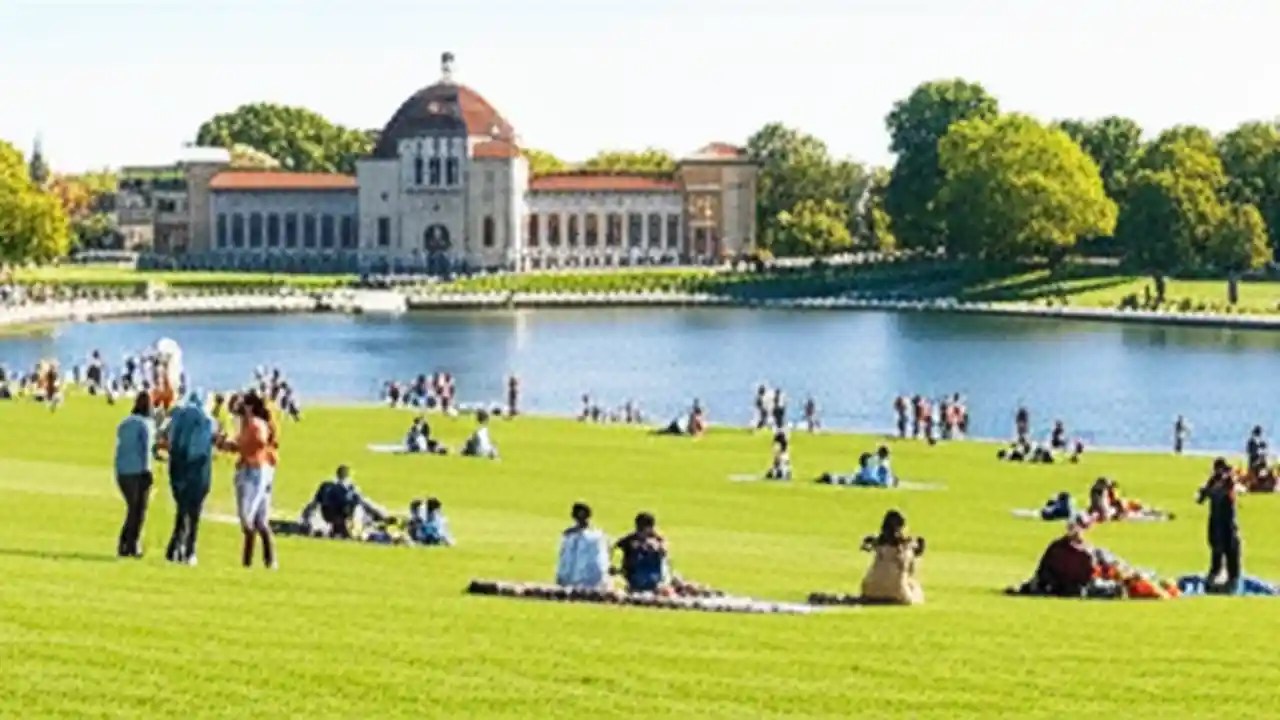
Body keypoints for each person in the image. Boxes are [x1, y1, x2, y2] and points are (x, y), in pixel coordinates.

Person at [217, 392, 277, 569]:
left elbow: (253, 443)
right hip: (259, 469)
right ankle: (268, 560)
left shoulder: (255, 425)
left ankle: (248, 560)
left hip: (253, 470)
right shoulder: (254, 424)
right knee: (260, 520)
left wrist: (233, 445)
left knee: (247, 518)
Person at [164, 390, 217, 565]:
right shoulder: (206, 420)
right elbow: (206, 445)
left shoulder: (179, 415)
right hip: (199, 469)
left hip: (178, 467)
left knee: (182, 508)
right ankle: (189, 550)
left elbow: (170, 439)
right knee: (194, 512)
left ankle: (175, 547)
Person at [114, 392, 156, 558]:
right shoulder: (146, 425)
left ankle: (126, 543)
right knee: (139, 509)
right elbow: (146, 449)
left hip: (122, 471)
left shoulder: (125, 423)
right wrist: (147, 470)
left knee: (132, 508)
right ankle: (131, 543)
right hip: (138, 471)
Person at [300, 465, 385, 538]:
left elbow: (313, 505)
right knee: (360, 508)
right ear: (348, 476)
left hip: (329, 517)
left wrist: (305, 518)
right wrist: (382, 515)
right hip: (343, 518)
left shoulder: (326, 486)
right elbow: (365, 503)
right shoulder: (350, 488)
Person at [859, 510, 925, 605]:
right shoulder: (907, 547)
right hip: (898, 594)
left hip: (870, 592)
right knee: (915, 586)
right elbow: (910, 571)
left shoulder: (878, 544)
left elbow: (866, 546)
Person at [1198, 457, 1242, 593]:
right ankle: (1215, 578)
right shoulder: (1214, 481)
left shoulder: (1227, 482)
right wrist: (1206, 490)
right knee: (1217, 551)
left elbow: (1228, 491)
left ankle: (1232, 580)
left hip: (1227, 522)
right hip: (1217, 522)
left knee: (1230, 550)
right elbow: (1201, 499)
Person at [1030, 515, 1097, 596]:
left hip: (1075, 587)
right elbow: (1044, 569)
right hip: (1056, 585)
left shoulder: (1087, 551)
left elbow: (1090, 575)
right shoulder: (1057, 547)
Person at [555, 502, 609, 589]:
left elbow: (601, 559)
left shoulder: (596, 535)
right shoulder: (569, 535)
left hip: (591, 580)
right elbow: (564, 557)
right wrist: (561, 575)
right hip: (571, 579)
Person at [613, 512, 667, 592]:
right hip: (636, 578)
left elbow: (663, 553)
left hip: (651, 578)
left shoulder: (657, 541)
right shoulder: (630, 540)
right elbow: (614, 548)